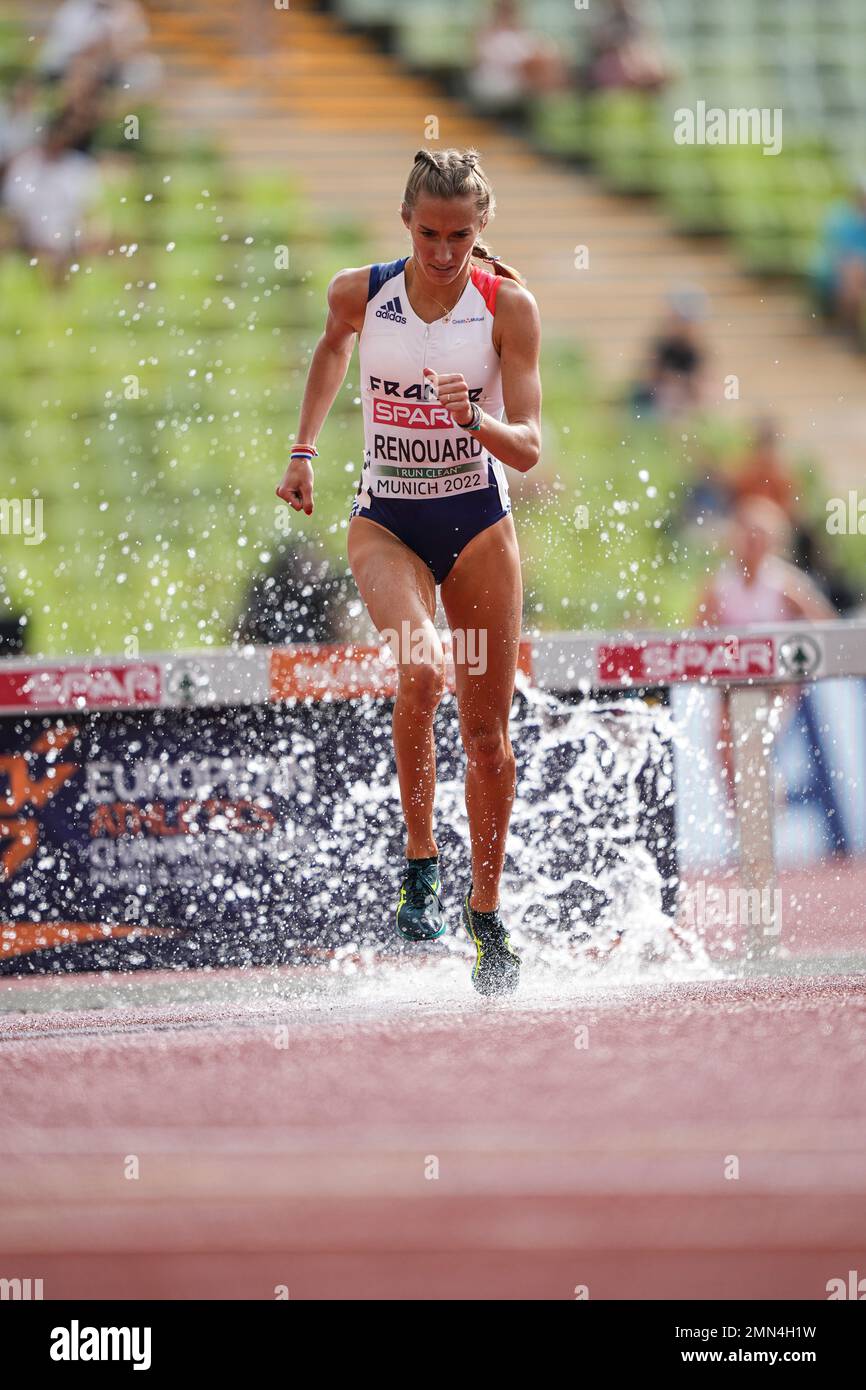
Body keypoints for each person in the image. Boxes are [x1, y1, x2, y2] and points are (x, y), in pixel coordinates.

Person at [276, 147, 542, 997]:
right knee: (421, 670)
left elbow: (530, 448)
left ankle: (486, 913)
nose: (441, 252)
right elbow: (330, 351)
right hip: (386, 520)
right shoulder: (361, 293)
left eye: (459, 235)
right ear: (405, 224)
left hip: (477, 525)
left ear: (481, 229)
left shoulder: (508, 307)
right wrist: (304, 450)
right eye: (428, 233)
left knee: (488, 740)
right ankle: (420, 860)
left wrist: (475, 421)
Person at [695, 496, 836, 800]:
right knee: (723, 740)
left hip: (776, 682)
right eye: (748, 534)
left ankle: (766, 790)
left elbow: (826, 627)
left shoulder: (784, 583)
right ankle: (739, 810)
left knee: (754, 737)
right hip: (730, 681)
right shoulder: (719, 585)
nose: (753, 542)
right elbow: (695, 636)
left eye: (761, 535)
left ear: (774, 541)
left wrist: (797, 656)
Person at [812, 176, 866, 349]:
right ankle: (850, 328)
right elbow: (841, 256)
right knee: (851, 275)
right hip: (843, 270)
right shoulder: (842, 218)